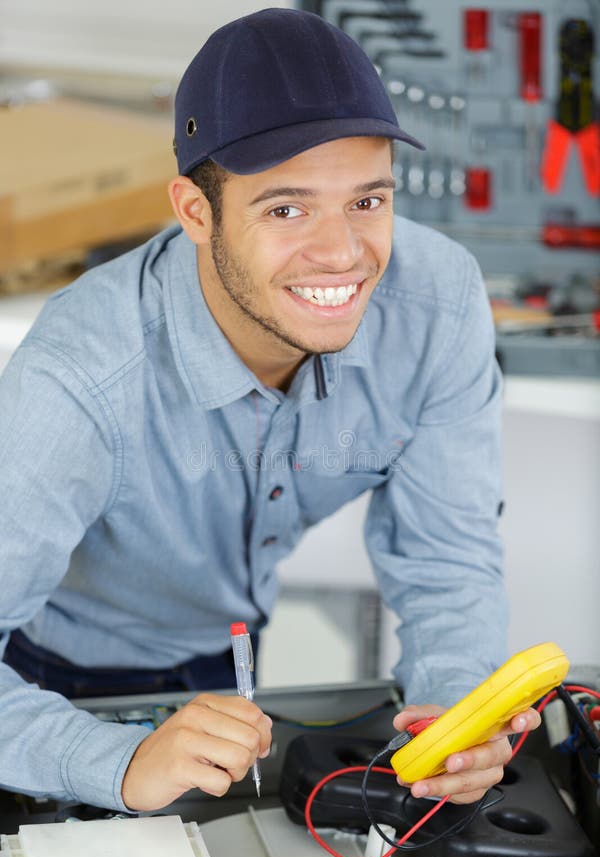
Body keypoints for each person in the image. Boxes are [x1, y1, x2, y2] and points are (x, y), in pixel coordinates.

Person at [0, 8, 539, 815]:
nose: (342, 253)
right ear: (194, 212)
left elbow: (447, 560)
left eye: (367, 200)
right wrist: (112, 760)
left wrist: (458, 710)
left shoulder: (439, 305)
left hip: (229, 672)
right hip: (49, 689)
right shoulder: (80, 377)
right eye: (287, 209)